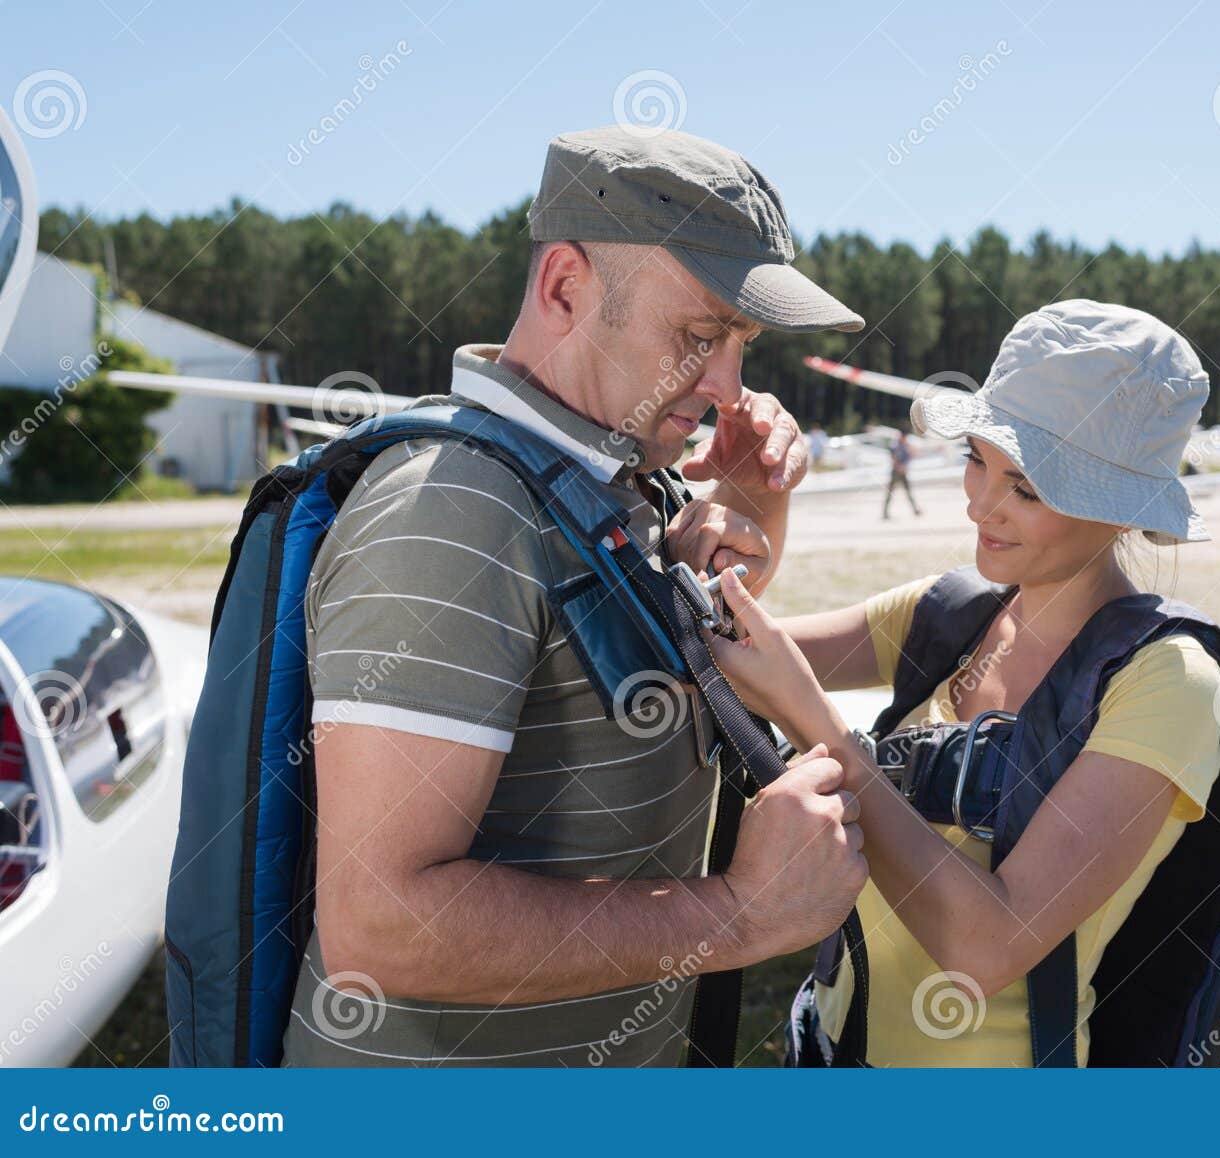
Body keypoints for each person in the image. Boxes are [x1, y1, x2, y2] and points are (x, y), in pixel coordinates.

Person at [281, 127, 869, 1067]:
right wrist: (742, 916)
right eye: (700, 335)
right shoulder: (456, 514)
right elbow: (381, 925)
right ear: (564, 288)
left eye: (742, 344)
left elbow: (652, 672)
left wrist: (753, 501)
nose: (727, 388)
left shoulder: (600, 478)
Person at [709, 301, 1220, 1067]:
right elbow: (721, 656)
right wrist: (749, 507)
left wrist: (816, 725)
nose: (980, 504)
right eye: (977, 459)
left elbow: (987, 948)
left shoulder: (1167, 681)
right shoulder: (952, 613)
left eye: (1027, 489)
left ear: (1122, 510)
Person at [882, 427, 922, 518]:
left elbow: (911, 456)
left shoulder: (905, 446)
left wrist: (903, 466)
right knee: (890, 492)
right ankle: (885, 513)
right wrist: (898, 466)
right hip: (896, 471)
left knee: (908, 491)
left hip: (902, 471)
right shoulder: (895, 445)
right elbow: (892, 457)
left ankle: (915, 510)